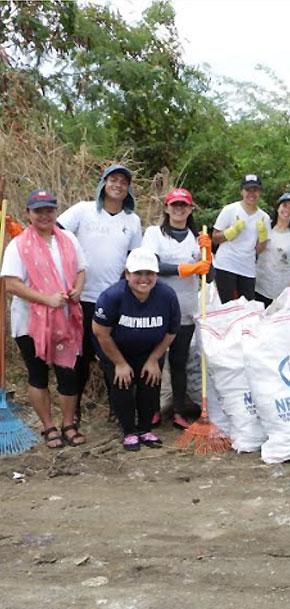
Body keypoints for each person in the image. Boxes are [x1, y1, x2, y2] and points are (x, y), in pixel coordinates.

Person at [57, 164, 143, 425]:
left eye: (123, 182)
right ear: (104, 183)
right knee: (79, 357)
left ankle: (118, 410)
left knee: (111, 357)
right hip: (80, 298)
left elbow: (134, 258)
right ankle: (75, 411)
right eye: (113, 179)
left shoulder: (132, 220)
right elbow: (57, 231)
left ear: (128, 189)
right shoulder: (83, 210)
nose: (118, 185)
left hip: (113, 300)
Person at [2, 189, 87, 448]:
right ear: (28, 213)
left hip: (66, 319)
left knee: (68, 375)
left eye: (49, 210)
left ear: (55, 211)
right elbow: (11, 285)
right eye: (38, 210)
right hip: (30, 323)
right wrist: (46, 299)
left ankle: (69, 424)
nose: (44, 215)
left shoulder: (68, 239)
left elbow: (82, 270)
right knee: (38, 375)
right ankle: (49, 427)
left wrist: (77, 289)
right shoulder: (18, 245)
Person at [91, 248, 180, 452]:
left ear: (156, 275)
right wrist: (120, 364)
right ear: (127, 274)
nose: (144, 279)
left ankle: (145, 429)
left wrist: (154, 359)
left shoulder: (167, 296)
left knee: (150, 384)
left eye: (149, 273)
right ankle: (129, 430)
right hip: (115, 349)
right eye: (138, 273)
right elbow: (100, 332)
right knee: (122, 384)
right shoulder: (112, 296)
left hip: (150, 350)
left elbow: (171, 331)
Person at [139, 188, 210, 428]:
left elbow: (208, 274)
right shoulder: (154, 234)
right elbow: (151, 264)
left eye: (184, 206)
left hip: (187, 309)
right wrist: (184, 269)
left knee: (179, 362)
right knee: (154, 361)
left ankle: (179, 410)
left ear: (190, 209)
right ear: (167, 208)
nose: (179, 209)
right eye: (174, 205)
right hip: (157, 308)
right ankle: (152, 409)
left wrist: (207, 253)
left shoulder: (196, 238)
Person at [211, 174, 271, 303]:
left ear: (260, 192)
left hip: (247, 268)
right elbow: (215, 238)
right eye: (248, 190)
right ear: (241, 191)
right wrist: (231, 232)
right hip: (226, 264)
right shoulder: (230, 210)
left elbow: (259, 250)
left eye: (255, 190)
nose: (251, 193)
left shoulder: (264, 218)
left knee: (247, 307)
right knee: (227, 306)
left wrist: (263, 236)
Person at [254, 192, 290, 306]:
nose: (287, 210)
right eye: (284, 205)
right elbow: (252, 252)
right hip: (260, 287)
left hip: (285, 291)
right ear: (278, 207)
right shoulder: (265, 227)